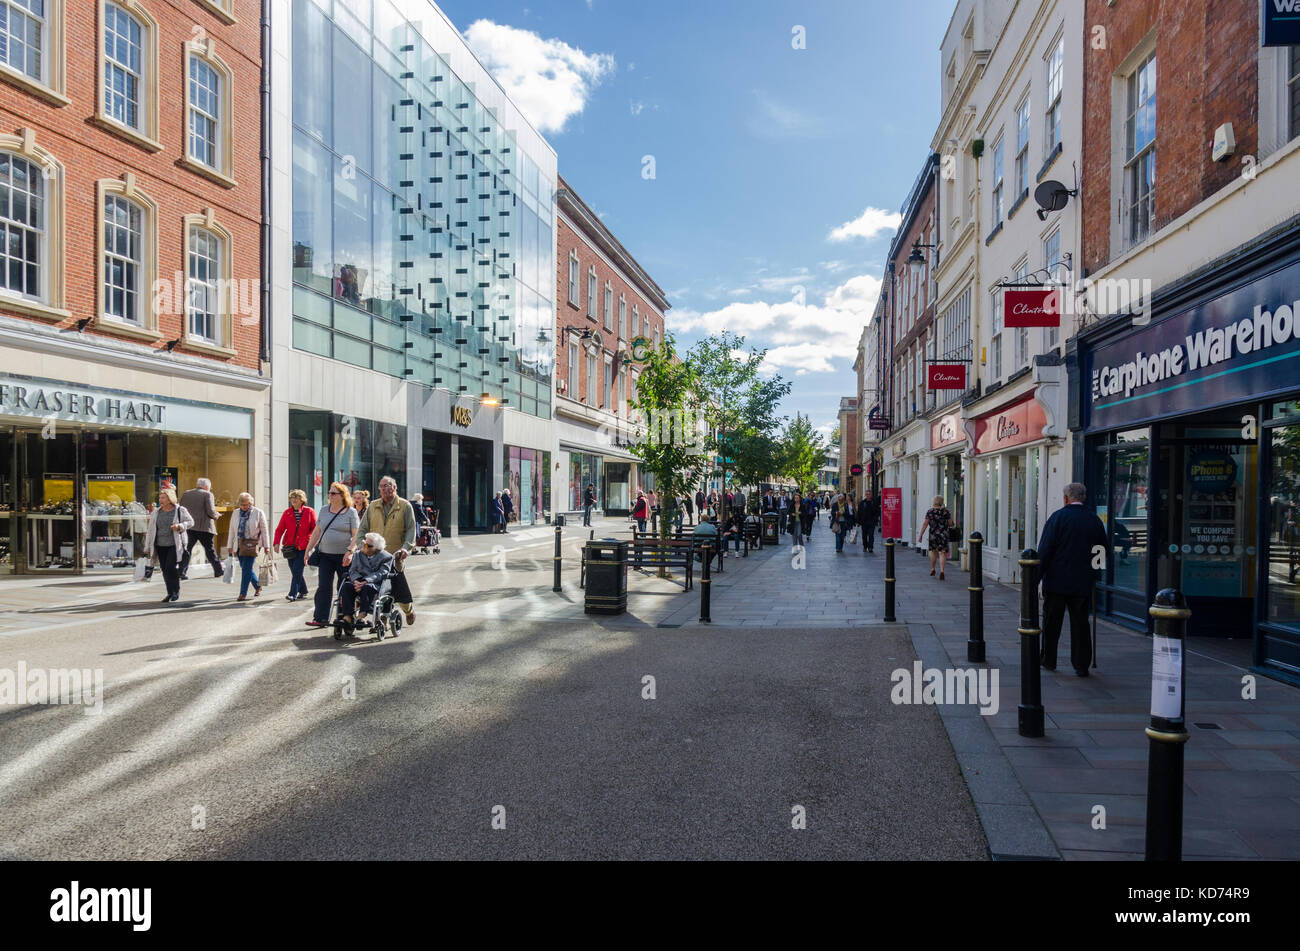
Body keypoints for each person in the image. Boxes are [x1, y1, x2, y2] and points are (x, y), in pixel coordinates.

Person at [1038, 482, 1108, 676]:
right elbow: (1102, 550)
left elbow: (1045, 550)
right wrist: (1095, 573)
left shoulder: (1057, 518)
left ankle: (1048, 659)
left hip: (1057, 581)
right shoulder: (1094, 520)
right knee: (1081, 624)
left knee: (1052, 623)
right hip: (1082, 582)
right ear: (1083, 498)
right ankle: (1081, 664)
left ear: (1066, 498)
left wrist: (1036, 576)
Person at [355, 475, 417, 625]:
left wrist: (406, 548)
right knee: (378, 587)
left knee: (398, 590)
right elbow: (362, 530)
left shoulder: (404, 506)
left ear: (394, 487)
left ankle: (408, 610)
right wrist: (360, 546)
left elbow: (410, 530)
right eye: (381, 486)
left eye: (387, 485)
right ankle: (381, 617)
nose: (384, 489)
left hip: (395, 557)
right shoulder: (373, 506)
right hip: (374, 556)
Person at [303, 482, 360, 629]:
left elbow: (356, 535)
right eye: (329, 493)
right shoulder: (324, 510)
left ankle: (345, 617)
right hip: (325, 555)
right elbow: (317, 531)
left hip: (344, 557)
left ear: (342, 496)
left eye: (333, 493)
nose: (330, 495)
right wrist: (308, 549)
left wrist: (350, 551)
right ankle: (321, 617)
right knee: (324, 587)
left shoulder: (350, 512)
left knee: (343, 587)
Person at [338, 532, 395, 631]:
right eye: (364, 543)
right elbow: (352, 570)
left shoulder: (386, 557)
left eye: (368, 545)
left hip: (376, 585)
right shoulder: (357, 554)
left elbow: (382, 572)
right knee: (346, 586)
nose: (364, 546)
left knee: (367, 587)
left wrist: (366, 581)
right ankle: (347, 616)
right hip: (358, 582)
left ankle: (362, 614)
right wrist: (357, 580)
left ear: (376, 548)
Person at [145, 488, 193, 603]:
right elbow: (150, 530)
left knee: (170, 567)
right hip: (160, 545)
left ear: (170, 498)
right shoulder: (156, 512)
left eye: (163, 498)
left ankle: (175, 591)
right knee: (164, 570)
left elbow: (191, 522)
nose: (160, 500)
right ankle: (169, 592)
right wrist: (147, 546)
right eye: (160, 498)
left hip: (174, 544)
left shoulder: (179, 510)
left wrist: (180, 526)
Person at [275, 489, 317, 602]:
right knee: (294, 570)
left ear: (302, 499)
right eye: (291, 498)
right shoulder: (287, 513)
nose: (293, 500)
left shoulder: (309, 511)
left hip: (304, 546)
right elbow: (279, 530)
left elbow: (315, 528)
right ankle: (303, 590)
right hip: (290, 547)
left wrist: (308, 540)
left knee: (297, 570)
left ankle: (292, 594)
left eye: (296, 497)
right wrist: (276, 543)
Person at [227, 492, 270, 602]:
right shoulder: (236, 513)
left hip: (252, 544)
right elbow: (232, 530)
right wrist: (229, 545)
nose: (243, 507)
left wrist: (266, 546)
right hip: (239, 544)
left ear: (251, 503)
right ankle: (257, 586)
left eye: (246, 505)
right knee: (245, 568)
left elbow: (264, 531)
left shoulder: (258, 512)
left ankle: (242, 593)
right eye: (241, 505)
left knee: (246, 569)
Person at [178, 477, 222, 580]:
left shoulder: (186, 493)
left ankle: (181, 572)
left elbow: (181, 509)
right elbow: (210, 511)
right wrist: (217, 516)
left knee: (187, 549)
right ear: (207, 487)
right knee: (209, 549)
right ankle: (218, 570)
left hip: (189, 527)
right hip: (204, 527)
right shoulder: (208, 494)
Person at [918, 496, 954, 580]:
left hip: (933, 535)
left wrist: (921, 536)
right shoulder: (946, 512)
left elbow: (925, 524)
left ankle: (933, 568)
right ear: (942, 502)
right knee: (942, 553)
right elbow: (951, 524)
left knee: (933, 552)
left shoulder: (930, 512)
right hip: (943, 535)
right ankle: (942, 571)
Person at [858, 490, 880, 554]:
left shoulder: (874, 502)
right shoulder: (862, 503)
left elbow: (877, 511)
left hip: (871, 522)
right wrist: (858, 521)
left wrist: (875, 518)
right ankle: (865, 546)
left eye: (869, 494)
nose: (868, 495)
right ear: (865, 495)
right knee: (864, 535)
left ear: (871, 495)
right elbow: (859, 512)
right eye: (867, 494)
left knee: (871, 535)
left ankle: (870, 547)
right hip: (864, 522)